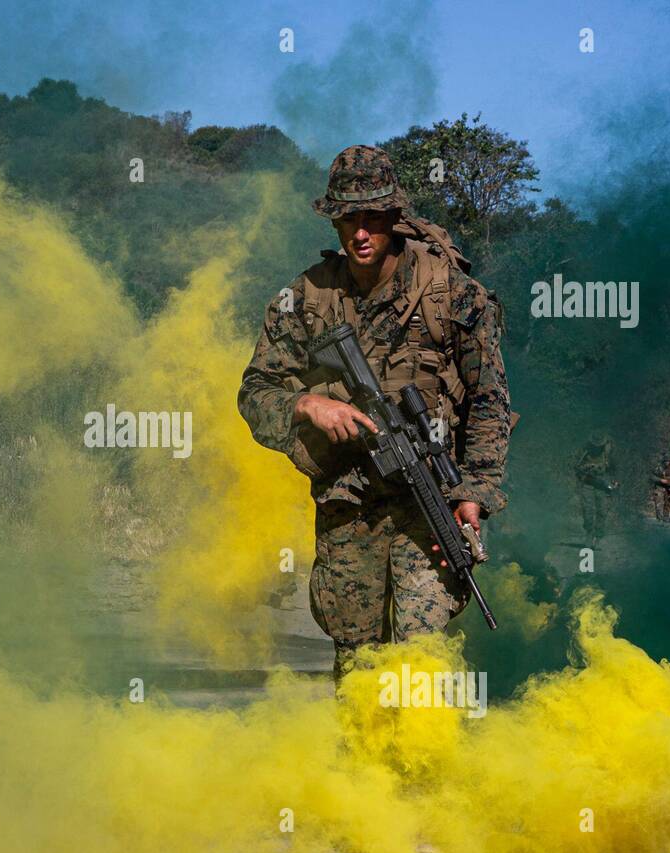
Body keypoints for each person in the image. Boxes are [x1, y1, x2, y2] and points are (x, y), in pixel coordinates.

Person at [238, 145, 511, 683]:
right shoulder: (304, 299)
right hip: (349, 504)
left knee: (419, 656)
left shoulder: (454, 294)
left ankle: (422, 762)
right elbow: (256, 391)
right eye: (348, 219)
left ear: (394, 219)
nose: (360, 234)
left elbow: (489, 402)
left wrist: (474, 493)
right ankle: (362, 766)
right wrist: (305, 404)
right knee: (358, 660)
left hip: (426, 498)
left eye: (372, 220)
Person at [574, 435, 616, 544]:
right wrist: (588, 467)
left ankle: (598, 535)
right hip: (588, 483)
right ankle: (589, 532)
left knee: (601, 511)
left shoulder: (608, 451)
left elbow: (615, 468)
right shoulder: (585, 450)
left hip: (603, 485)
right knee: (588, 511)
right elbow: (576, 467)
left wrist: (614, 481)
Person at [650, 456, 670, 521]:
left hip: (669, 488)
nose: (667, 463)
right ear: (663, 462)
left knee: (668, 502)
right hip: (659, 487)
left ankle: (666, 517)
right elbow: (651, 476)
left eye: (668, 461)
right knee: (659, 503)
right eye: (665, 461)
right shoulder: (658, 468)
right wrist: (660, 480)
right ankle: (660, 518)